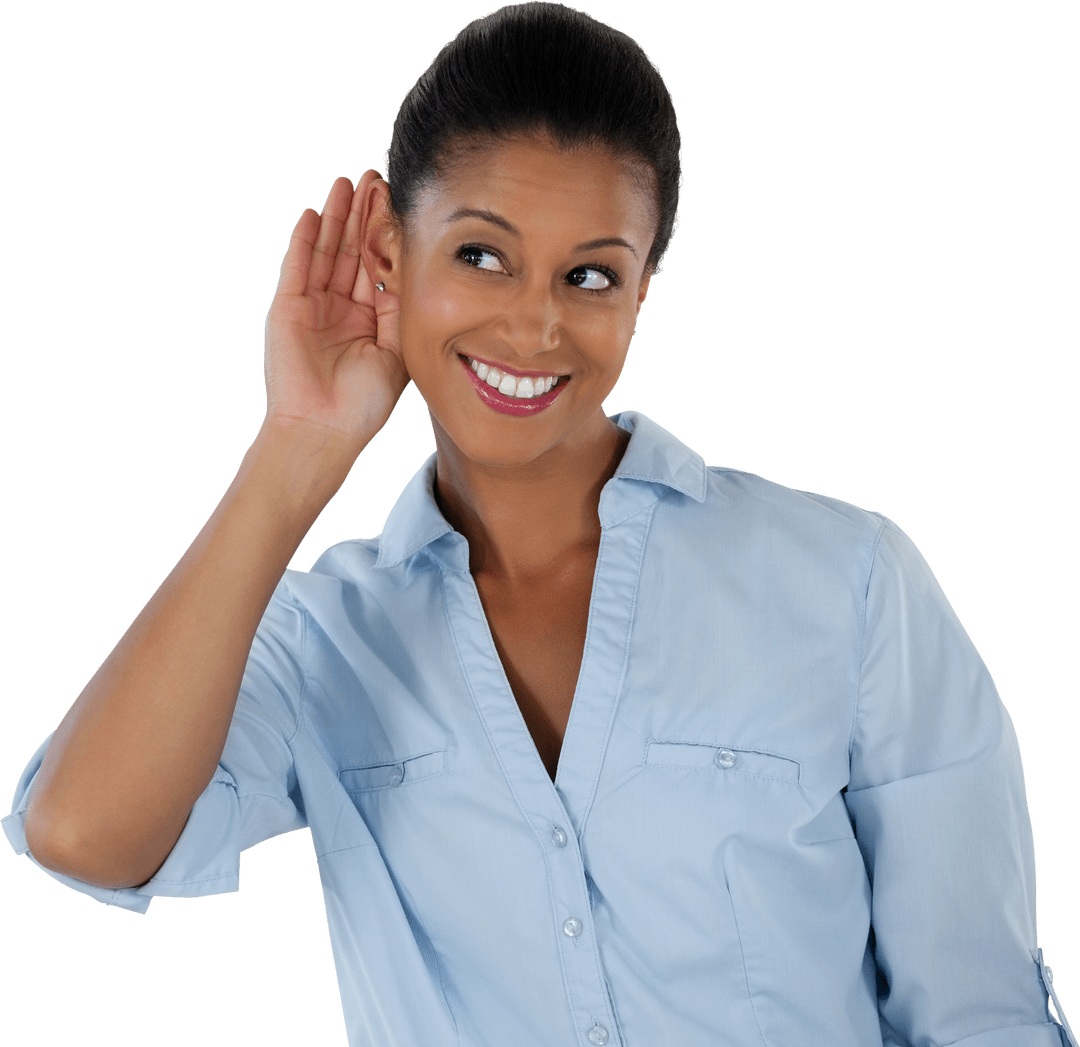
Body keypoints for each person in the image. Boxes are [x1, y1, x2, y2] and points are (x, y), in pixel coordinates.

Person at [2, 3, 1075, 1045]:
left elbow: (984, 1016)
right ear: (387, 249)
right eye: (480, 254)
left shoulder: (846, 584)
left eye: (591, 275)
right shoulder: (323, 642)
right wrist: (293, 451)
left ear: (644, 288)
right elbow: (83, 836)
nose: (534, 322)